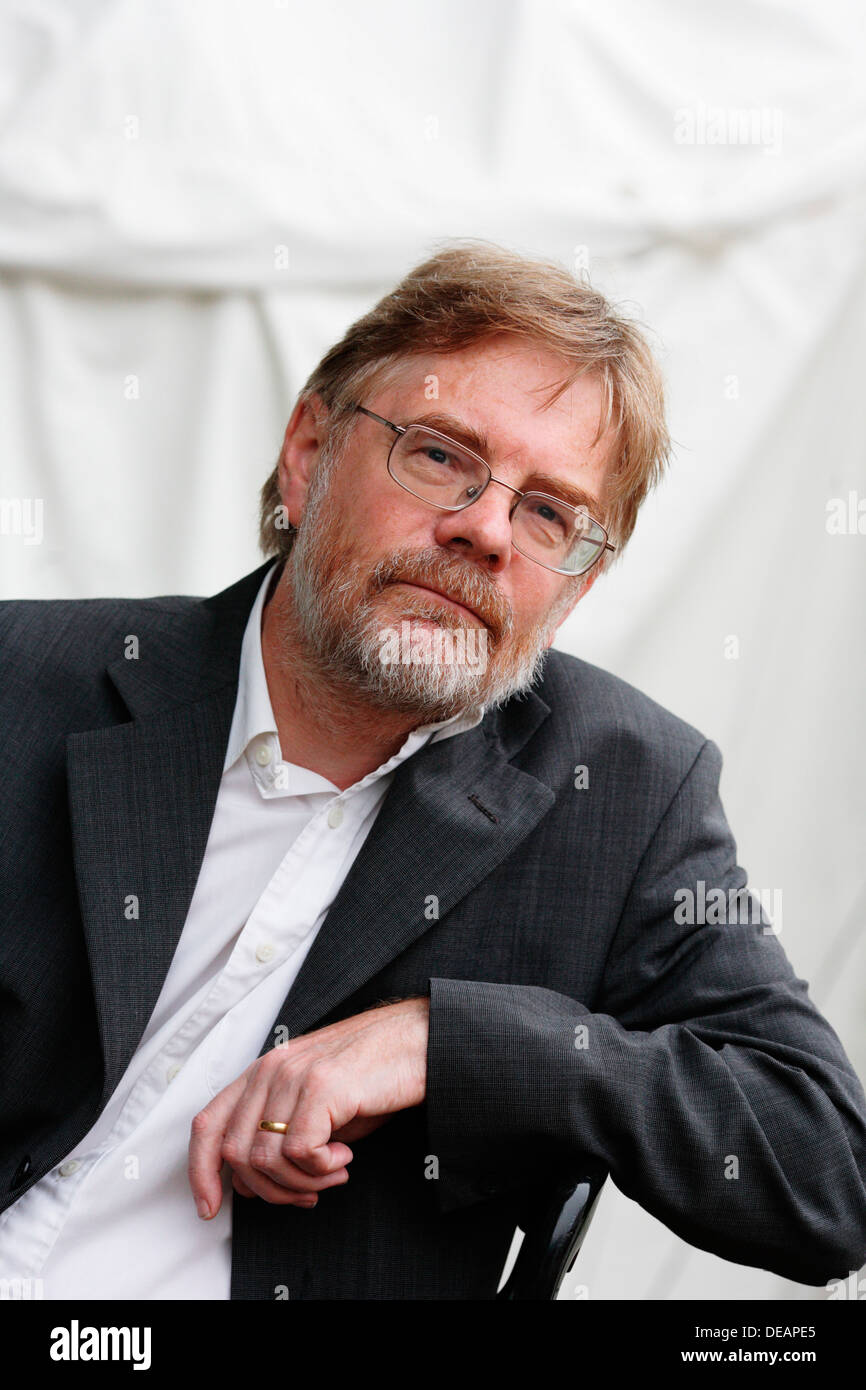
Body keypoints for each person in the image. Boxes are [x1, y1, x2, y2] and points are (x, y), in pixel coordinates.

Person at [1, 242, 865, 1301]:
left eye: (550, 513)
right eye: (441, 456)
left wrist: (449, 1041)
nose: (486, 529)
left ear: (575, 589)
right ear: (309, 453)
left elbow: (824, 1173)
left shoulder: (625, 794)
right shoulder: (25, 686)